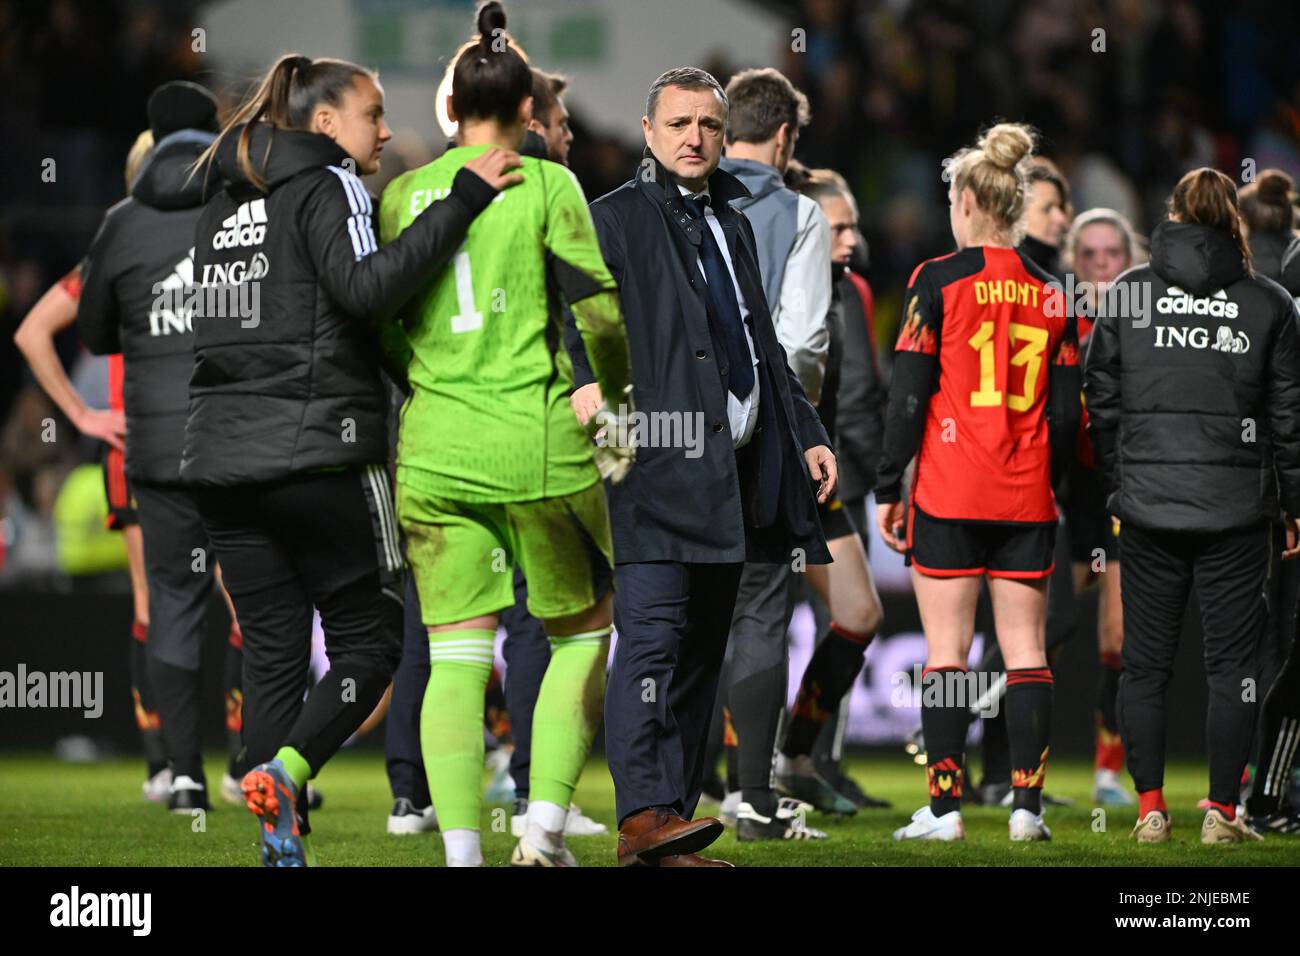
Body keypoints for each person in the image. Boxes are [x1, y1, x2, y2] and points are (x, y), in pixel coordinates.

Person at [183, 51, 521, 867]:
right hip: (320, 451)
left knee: (272, 654)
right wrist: (467, 196)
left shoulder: (224, 202)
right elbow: (367, 290)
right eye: (374, 113)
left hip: (221, 460)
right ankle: (287, 775)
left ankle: (277, 834)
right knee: (372, 643)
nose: (386, 129)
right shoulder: (329, 181)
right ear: (327, 121)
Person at [379, 1, 630, 868]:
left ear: (451, 109)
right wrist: (617, 394)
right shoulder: (549, 184)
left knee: (454, 658)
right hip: (540, 447)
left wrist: (420, 380)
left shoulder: (404, 191)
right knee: (582, 637)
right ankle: (542, 832)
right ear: (530, 111)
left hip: (437, 452)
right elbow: (597, 311)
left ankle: (459, 854)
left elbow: (381, 310)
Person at [568, 66, 835, 867]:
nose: (694, 137)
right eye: (678, 124)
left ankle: (672, 827)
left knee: (698, 655)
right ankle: (642, 815)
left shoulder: (735, 221)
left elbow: (761, 347)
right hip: (651, 468)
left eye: (708, 126)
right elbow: (564, 314)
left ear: (725, 136)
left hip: (734, 475)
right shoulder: (611, 219)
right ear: (649, 134)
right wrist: (585, 390)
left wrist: (809, 428)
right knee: (650, 643)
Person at [876, 123, 1080, 843]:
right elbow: (1064, 413)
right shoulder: (1055, 294)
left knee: (947, 654)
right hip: (1026, 497)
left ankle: (945, 809)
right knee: (1025, 650)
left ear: (965, 200)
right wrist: (1043, 480)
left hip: (950, 492)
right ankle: (1027, 808)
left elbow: (907, 396)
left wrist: (885, 486)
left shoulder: (935, 280)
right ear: (1017, 204)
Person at [1084, 167, 1300, 845]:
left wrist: (1127, 472)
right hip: (1237, 514)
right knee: (1232, 669)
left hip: (1147, 509)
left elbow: (1100, 397)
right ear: (1231, 220)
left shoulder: (1127, 295)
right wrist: (1293, 504)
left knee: (1145, 664)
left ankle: (1150, 809)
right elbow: (1291, 419)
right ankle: (1222, 814)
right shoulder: (1270, 304)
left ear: (1173, 216)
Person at [73, 83, 253, 814]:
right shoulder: (243, 211)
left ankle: (183, 776)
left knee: (173, 605)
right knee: (259, 605)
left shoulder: (120, 224)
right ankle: (259, 768)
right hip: (240, 446)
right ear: (213, 135)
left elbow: (91, 333)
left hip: (156, 449)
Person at [13, 130, 172, 804]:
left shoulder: (145, 244)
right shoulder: (126, 246)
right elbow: (31, 331)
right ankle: (175, 763)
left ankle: (200, 764)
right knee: (168, 602)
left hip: (198, 448)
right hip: (153, 449)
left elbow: (30, 330)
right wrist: (83, 415)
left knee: (195, 602)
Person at [709, 66, 834, 842]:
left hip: (673, 436)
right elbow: (805, 341)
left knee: (680, 612)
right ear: (785, 136)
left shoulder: (679, 198)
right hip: (763, 443)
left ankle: (664, 797)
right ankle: (752, 798)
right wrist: (792, 419)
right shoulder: (798, 212)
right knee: (759, 610)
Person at [773, 164, 887, 813]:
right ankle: (743, 776)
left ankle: (794, 753)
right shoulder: (784, 283)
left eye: (853, 227)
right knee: (751, 625)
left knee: (861, 613)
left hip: (822, 482)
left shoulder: (849, 292)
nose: (851, 239)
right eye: (838, 227)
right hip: (771, 479)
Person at [1058, 208, 1140, 806]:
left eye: (1113, 253)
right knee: (1044, 628)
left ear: (1130, 257)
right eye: (1090, 255)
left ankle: (1108, 771)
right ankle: (1002, 766)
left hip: (1121, 492)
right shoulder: (1056, 317)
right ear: (1073, 262)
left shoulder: (1148, 322)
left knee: (1117, 638)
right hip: (1065, 490)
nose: (1102, 264)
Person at [1238, 169, 1300, 834]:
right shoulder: (1278, 292)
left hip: (1270, 490)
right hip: (1280, 491)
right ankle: (1268, 794)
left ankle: (1265, 791)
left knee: (1275, 649)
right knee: (1284, 650)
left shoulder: (1264, 291)